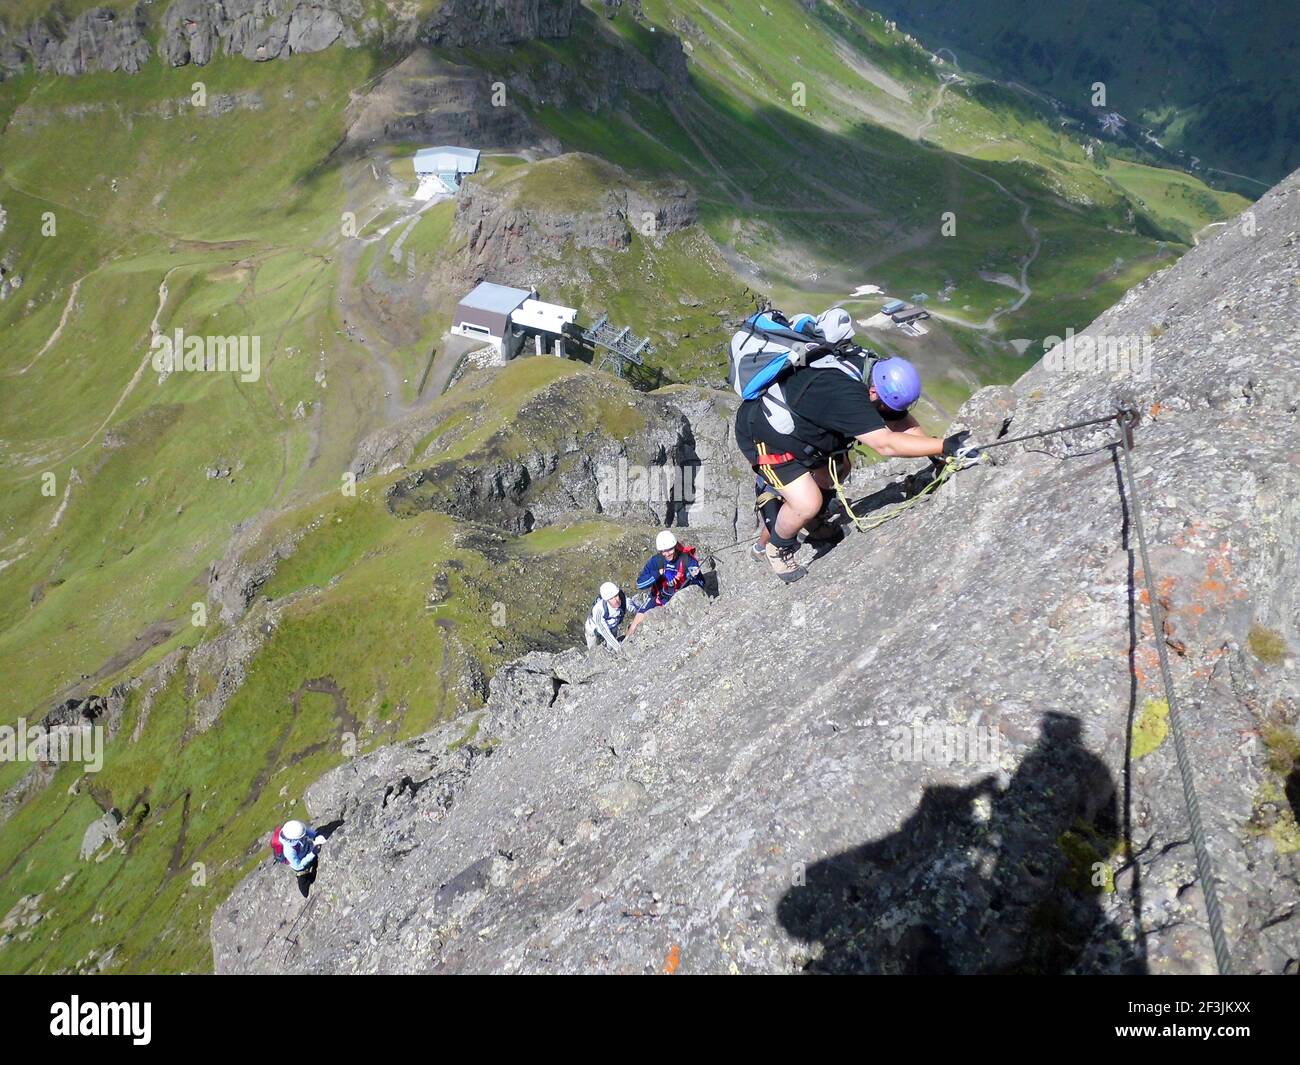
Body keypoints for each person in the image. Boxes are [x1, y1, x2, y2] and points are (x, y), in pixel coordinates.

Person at [734, 308, 975, 583]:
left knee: (840, 467)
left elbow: (900, 420)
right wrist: (943, 446)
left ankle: (814, 523)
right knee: (806, 501)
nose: (889, 411)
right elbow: (885, 444)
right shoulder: (844, 394)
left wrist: (935, 451)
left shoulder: (868, 368)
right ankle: (779, 547)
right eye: (885, 405)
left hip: (803, 430)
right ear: (874, 393)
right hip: (766, 437)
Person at [624, 530, 705, 639]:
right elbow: (640, 584)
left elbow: (701, 583)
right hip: (658, 597)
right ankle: (624, 645)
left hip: (679, 600)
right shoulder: (657, 561)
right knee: (637, 620)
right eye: (664, 551)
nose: (667, 554)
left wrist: (693, 577)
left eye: (670, 549)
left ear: (675, 546)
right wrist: (659, 573)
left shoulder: (686, 560)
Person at [272, 819, 324, 896]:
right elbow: (298, 865)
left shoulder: (292, 831)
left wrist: (316, 835)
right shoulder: (289, 850)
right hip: (299, 866)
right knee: (303, 882)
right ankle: (306, 892)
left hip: (305, 850)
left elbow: (305, 831)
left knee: (313, 862)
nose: (303, 836)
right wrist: (313, 853)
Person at [585, 581, 627, 652]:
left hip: (612, 625)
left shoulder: (622, 598)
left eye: (616, 596)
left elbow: (630, 605)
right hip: (593, 629)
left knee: (610, 649)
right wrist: (618, 648)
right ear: (606, 600)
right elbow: (603, 630)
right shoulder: (599, 610)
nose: (616, 601)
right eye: (611, 598)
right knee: (593, 651)